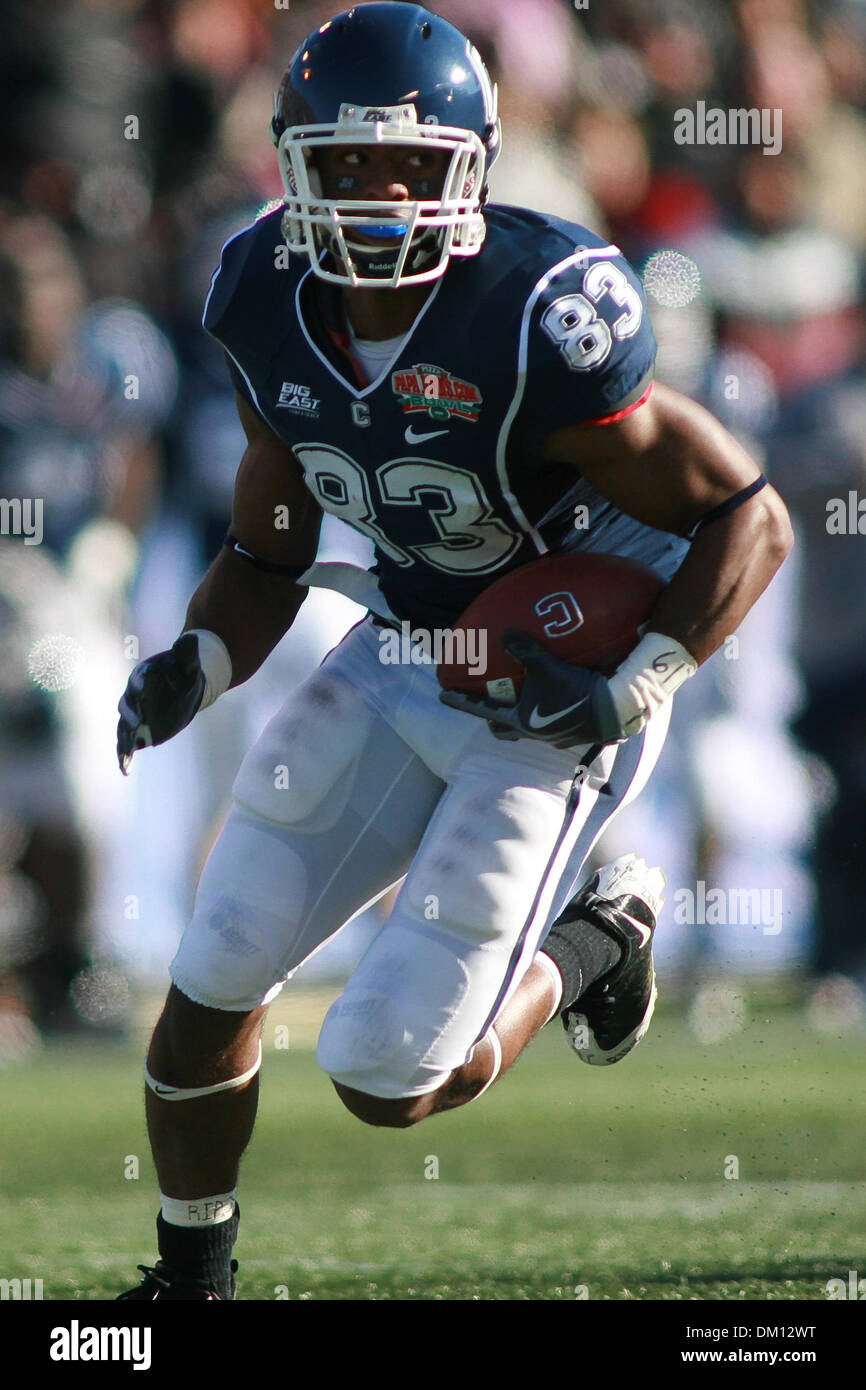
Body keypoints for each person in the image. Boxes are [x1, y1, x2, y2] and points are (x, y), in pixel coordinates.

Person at [115, 3, 792, 1301]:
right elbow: (267, 548)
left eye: (411, 165)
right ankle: (188, 1284)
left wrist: (635, 678)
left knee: (386, 1077)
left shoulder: (538, 311)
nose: (379, 197)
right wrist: (194, 661)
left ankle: (597, 935)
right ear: (293, 163)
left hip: (552, 690)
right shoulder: (262, 296)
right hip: (404, 641)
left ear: (469, 167)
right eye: (349, 164)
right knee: (213, 966)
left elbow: (742, 511)